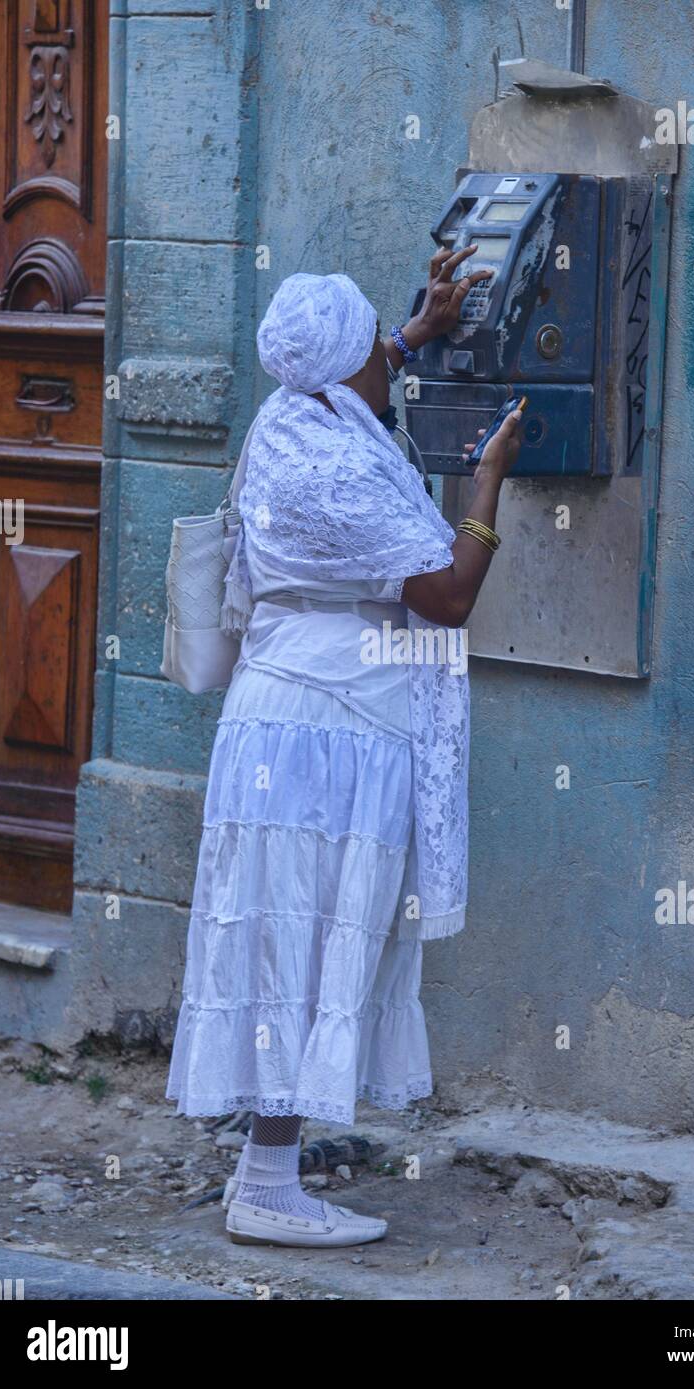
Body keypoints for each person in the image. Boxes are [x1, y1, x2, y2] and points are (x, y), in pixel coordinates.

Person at [166, 248, 522, 1247]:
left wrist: (414, 331)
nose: (385, 348)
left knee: (298, 945)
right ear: (336, 360)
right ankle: (268, 1190)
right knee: (300, 947)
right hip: (320, 735)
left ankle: (265, 1176)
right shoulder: (325, 466)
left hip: (302, 723)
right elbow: (444, 596)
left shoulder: (292, 417)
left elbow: (358, 380)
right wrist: (485, 487)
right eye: (374, 338)